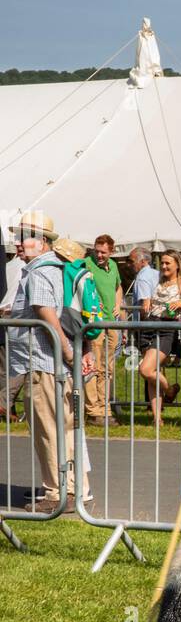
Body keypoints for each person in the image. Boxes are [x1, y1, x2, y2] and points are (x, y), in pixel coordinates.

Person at [6, 215, 93, 512]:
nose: (19, 243)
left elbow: (47, 315)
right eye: (18, 236)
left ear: (43, 242)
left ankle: (57, 494)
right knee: (66, 428)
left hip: (42, 364)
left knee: (49, 431)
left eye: (25, 237)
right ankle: (76, 489)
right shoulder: (53, 269)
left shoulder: (40, 273)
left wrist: (67, 352)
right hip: (50, 363)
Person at [138, 250, 181, 424]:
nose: (164, 266)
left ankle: (170, 391)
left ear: (177, 264)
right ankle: (157, 418)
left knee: (145, 369)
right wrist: (147, 300)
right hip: (150, 325)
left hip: (167, 328)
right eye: (162, 263)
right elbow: (153, 298)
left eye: (168, 263)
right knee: (153, 373)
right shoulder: (159, 279)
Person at [84, 233, 124, 426]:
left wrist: (118, 305)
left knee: (107, 368)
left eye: (103, 252)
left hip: (111, 323)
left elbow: (118, 287)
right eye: (96, 251)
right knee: (94, 366)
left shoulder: (114, 266)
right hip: (95, 323)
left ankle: (105, 407)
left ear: (111, 251)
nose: (99, 255)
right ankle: (93, 410)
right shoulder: (87, 264)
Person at [0, 238, 27, 421]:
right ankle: (4, 403)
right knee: (20, 366)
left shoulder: (11, 266)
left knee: (7, 367)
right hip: (14, 318)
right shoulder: (26, 268)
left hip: (9, 317)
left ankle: (8, 409)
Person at [128, 247, 160, 318]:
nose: (129, 265)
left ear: (143, 262)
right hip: (160, 319)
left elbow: (145, 306)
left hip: (147, 324)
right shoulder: (157, 273)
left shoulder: (141, 278)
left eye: (131, 261)